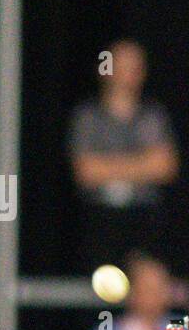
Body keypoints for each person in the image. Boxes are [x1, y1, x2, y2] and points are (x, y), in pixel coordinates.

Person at [68, 39, 179, 272]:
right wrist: (141, 165)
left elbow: (165, 167)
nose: (126, 74)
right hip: (100, 219)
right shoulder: (88, 117)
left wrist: (108, 166)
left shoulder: (152, 116)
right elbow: (86, 171)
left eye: (134, 67)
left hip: (144, 218)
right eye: (120, 65)